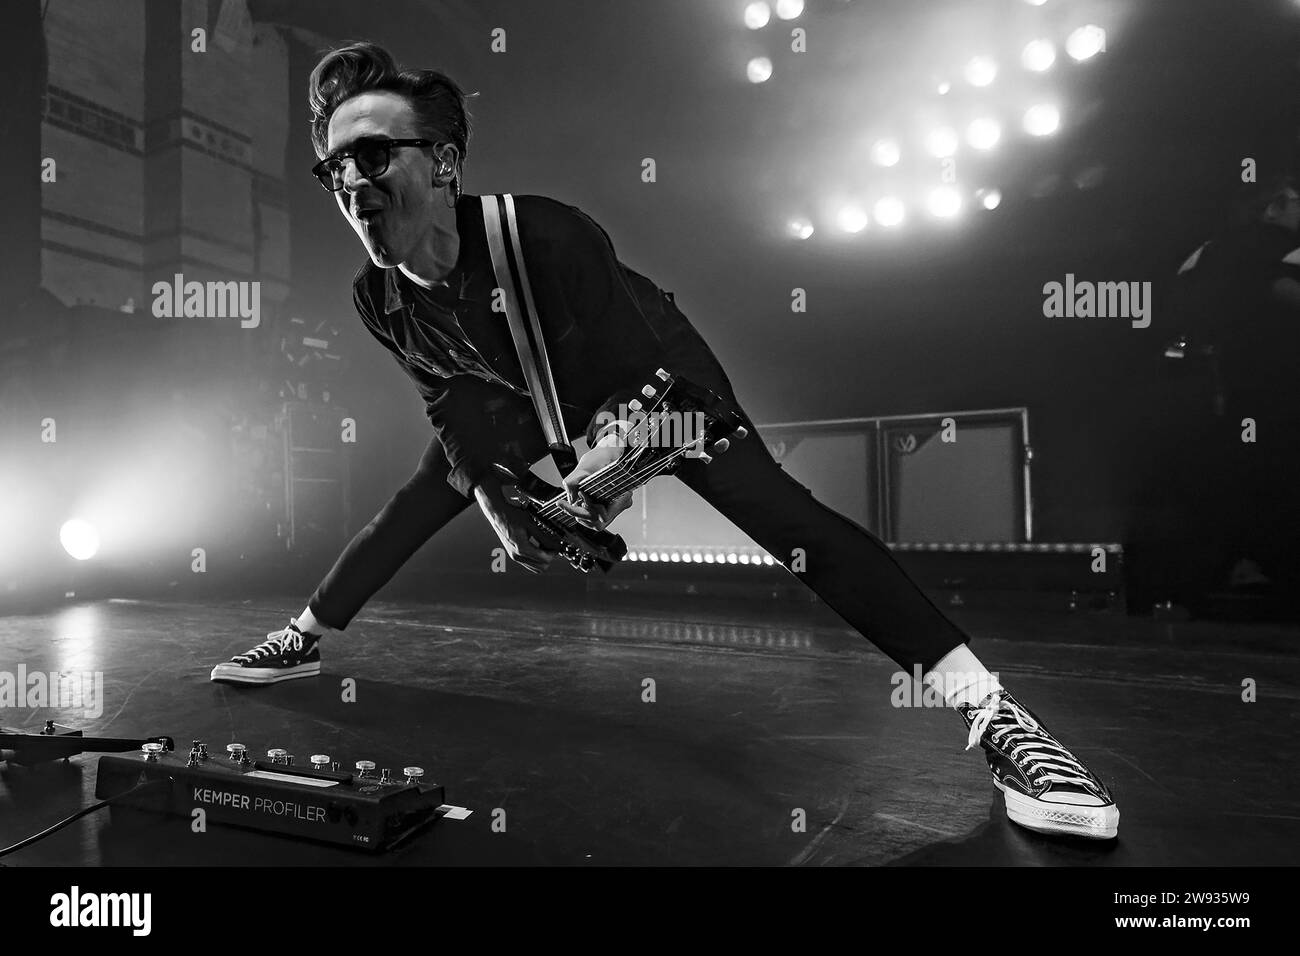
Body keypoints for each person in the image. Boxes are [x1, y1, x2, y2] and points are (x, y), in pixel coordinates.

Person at [211, 42, 1120, 840]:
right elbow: (450, 407)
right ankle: (304, 633)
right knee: (417, 501)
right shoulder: (378, 298)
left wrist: (582, 498)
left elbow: (653, 401)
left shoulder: (547, 237)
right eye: (335, 169)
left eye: (375, 156)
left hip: (651, 379)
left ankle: (999, 720)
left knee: (788, 522)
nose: (354, 184)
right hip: (517, 393)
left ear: (443, 162)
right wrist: (498, 503)